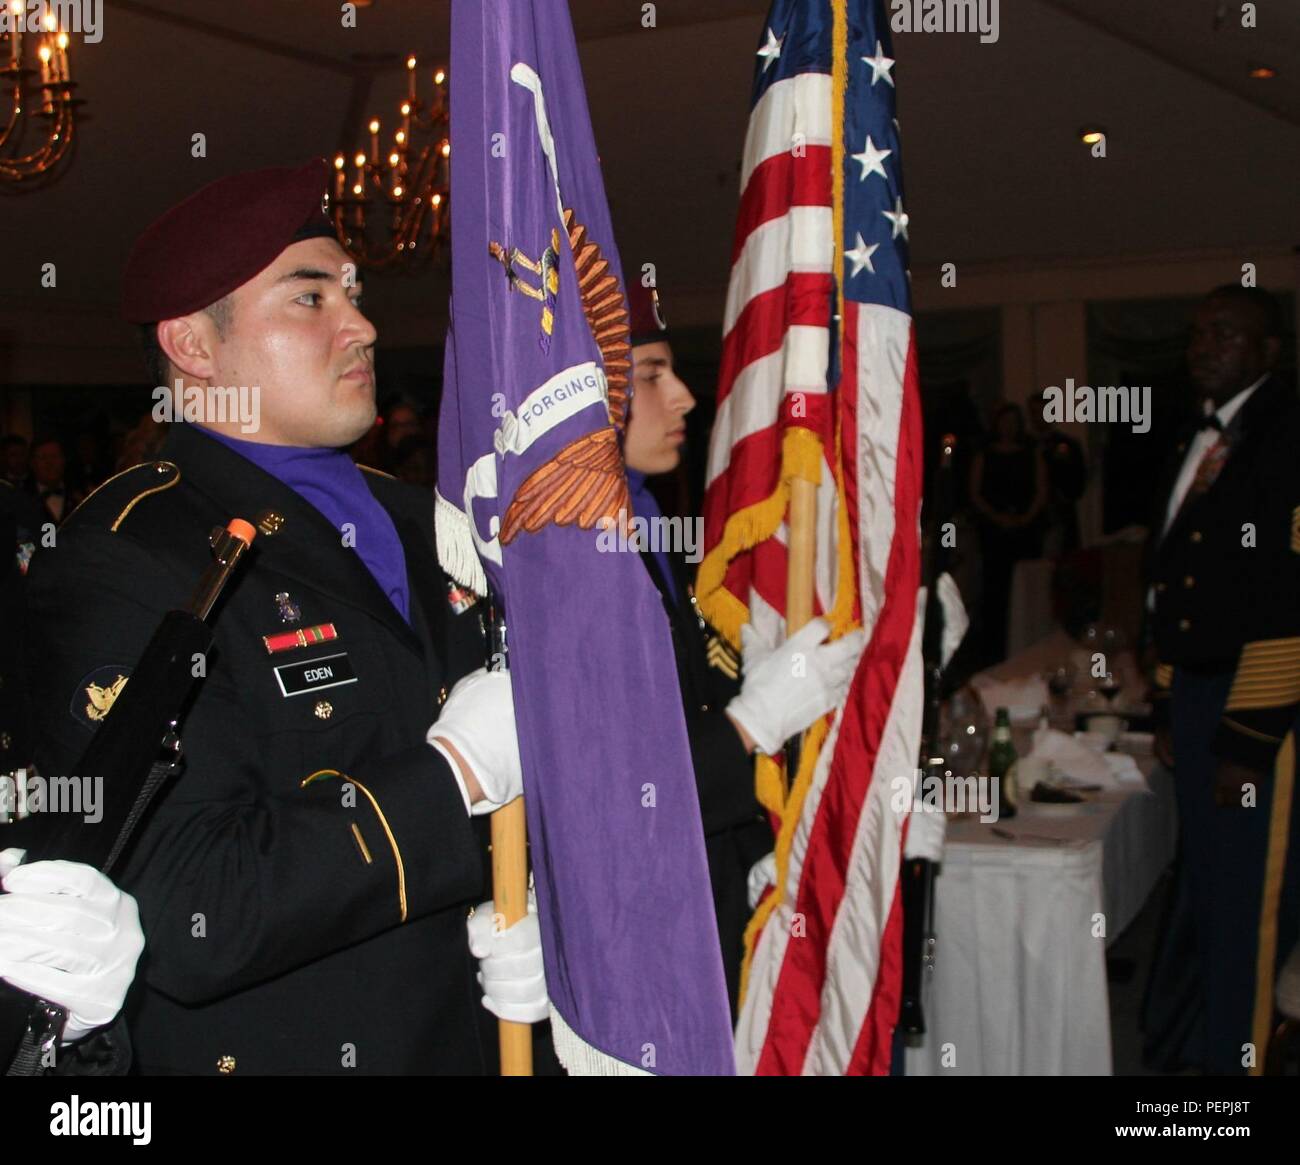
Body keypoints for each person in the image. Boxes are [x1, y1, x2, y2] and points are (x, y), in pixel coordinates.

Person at [25, 160, 544, 1075]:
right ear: (192, 344)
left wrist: (541, 906)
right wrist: (449, 776)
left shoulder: (426, 518)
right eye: (310, 299)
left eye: (352, 292)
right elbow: (191, 911)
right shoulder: (130, 555)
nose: (363, 325)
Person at [621, 281, 862, 1012]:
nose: (686, 397)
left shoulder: (640, 516)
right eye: (650, 375)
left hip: (697, 875)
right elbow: (617, 785)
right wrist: (749, 724)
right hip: (640, 920)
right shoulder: (565, 552)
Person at [1142, 284, 1300, 1076]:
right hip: (1203, 697)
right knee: (1207, 892)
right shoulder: (1199, 433)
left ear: (1269, 350)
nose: (1204, 345)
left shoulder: (1286, 433)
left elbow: (1288, 593)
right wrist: (1169, 699)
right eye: (1199, 331)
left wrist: (1247, 738)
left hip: (1260, 708)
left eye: (1227, 333)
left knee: (1248, 908)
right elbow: (1179, 579)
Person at [969, 403, 1048, 662]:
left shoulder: (1031, 452)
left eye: (1014, 421)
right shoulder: (984, 453)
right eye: (1005, 421)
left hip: (1025, 530)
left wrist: (1025, 518)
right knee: (996, 589)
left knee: (1025, 584)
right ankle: (995, 649)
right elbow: (975, 492)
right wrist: (997, 517)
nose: (1009, 426)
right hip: (995, 531)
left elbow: (1040, 489)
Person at [1025, 389, 1086, 556]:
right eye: (1034, 412)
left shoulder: (1068, 444)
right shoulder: (1025, 446)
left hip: (1059, 514)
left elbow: (1078, 483)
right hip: (1030, 516)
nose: (1038, 417)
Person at [28, 436, 82, 527]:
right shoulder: (22, 497)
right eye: (43, 457)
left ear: (64, 460)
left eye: (54, 456)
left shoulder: (79, 494)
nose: (49, 463)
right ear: (32, 463)